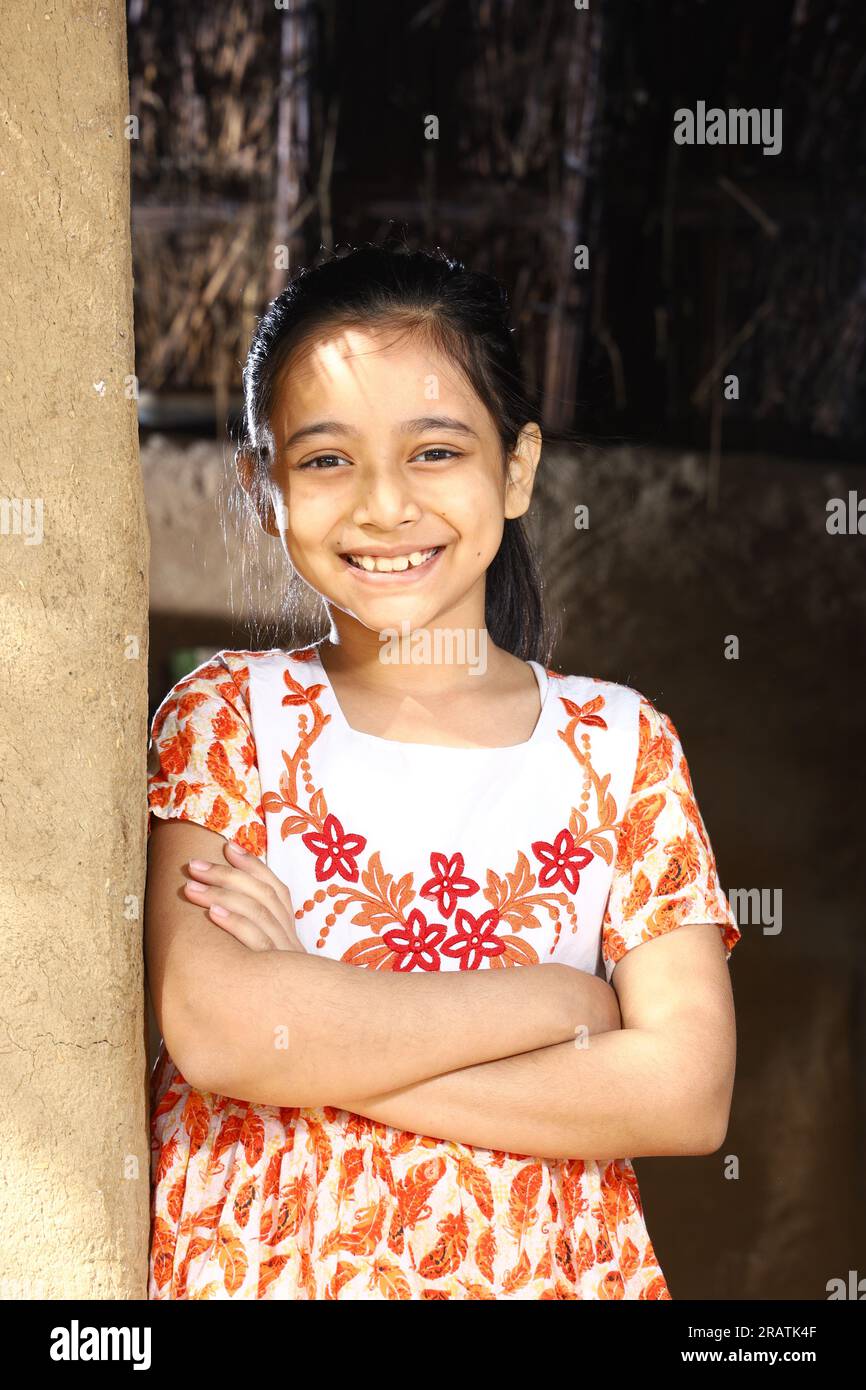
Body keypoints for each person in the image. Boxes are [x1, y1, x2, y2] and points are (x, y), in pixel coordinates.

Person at [144, 241, 741, 1300]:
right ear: (263, 483)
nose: (383, 506)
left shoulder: (619, 745)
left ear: (514, 469)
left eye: (434, 452)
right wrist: (561, 1004)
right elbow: (223, 1031)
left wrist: (322, 1036)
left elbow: (683, 1094)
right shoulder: (228, 715)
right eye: (326, 459)